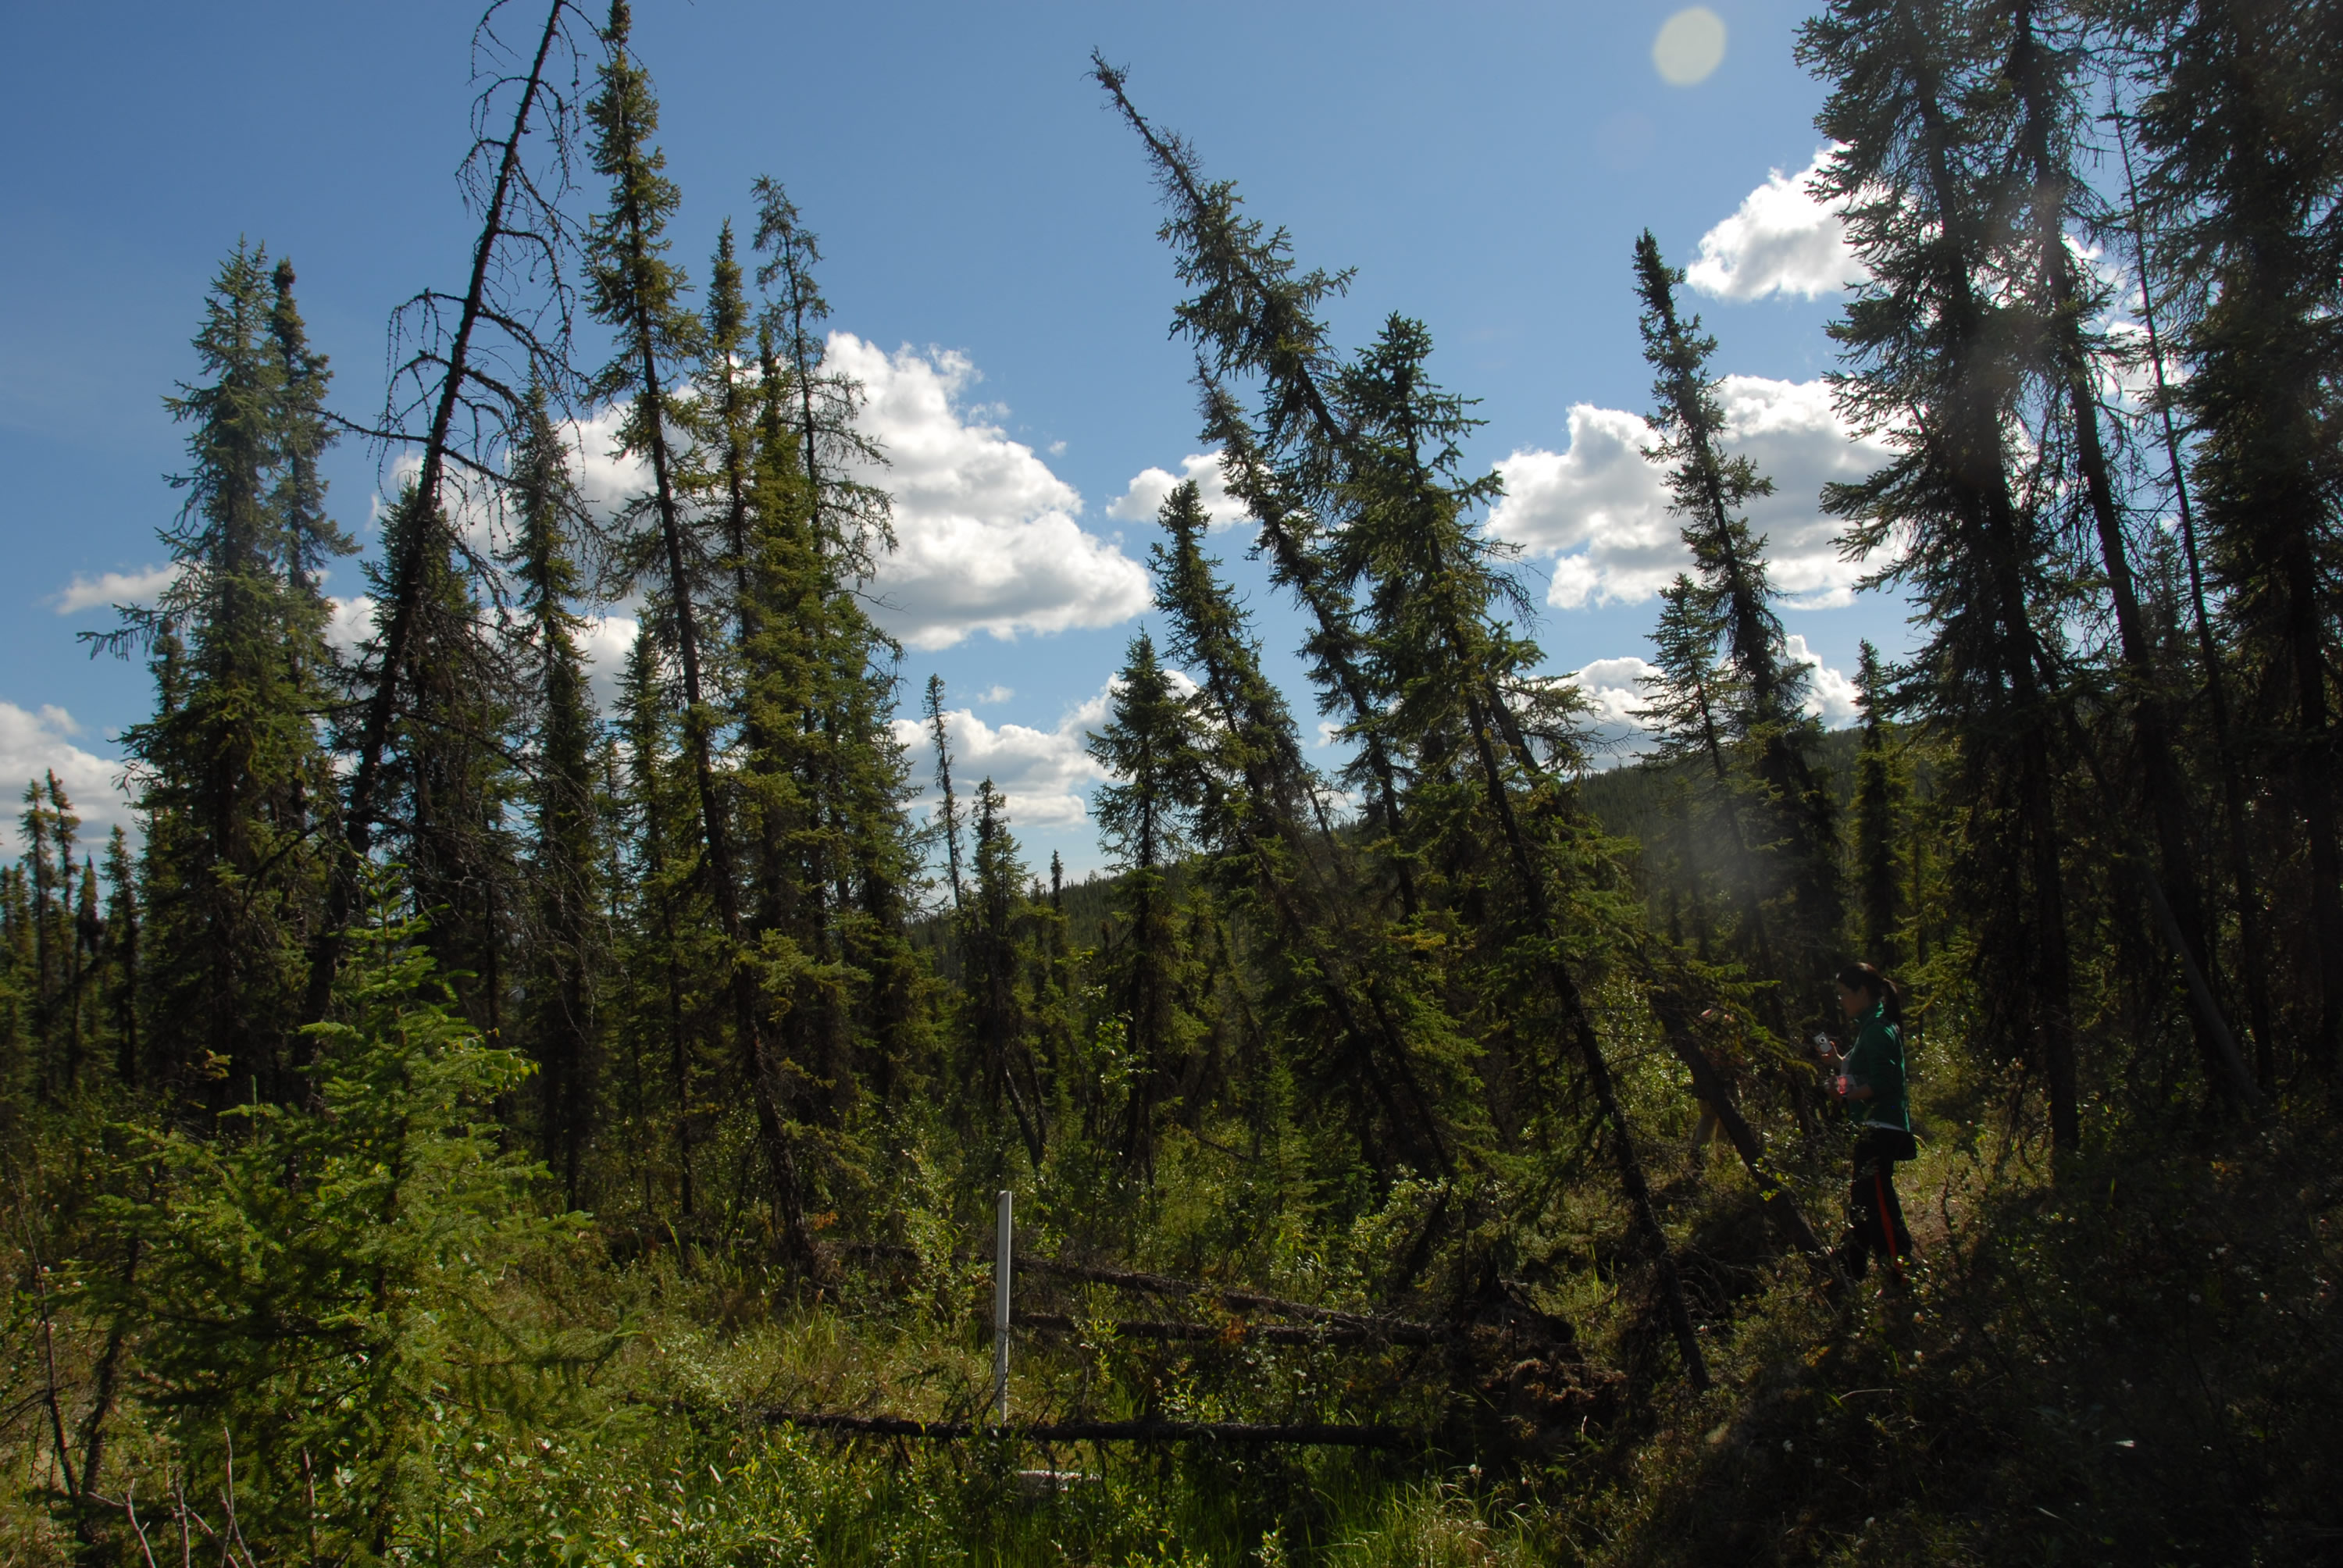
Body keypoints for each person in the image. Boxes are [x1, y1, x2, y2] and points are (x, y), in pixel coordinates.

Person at [1814, 963, 1915, 1280]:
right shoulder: (1870, 1028)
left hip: (1882, 1129)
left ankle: (1897, 1271)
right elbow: (1866, 1076)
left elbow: (1884, 1085)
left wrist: (1841, 1093)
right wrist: (1836, 1063)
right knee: (1864, 1202)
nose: (1841, 1001)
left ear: (1862, 992)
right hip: (1874, 1127)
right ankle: (1852, 1271)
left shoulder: (1878, 1030)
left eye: (1844, 994)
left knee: (1879, 1205)